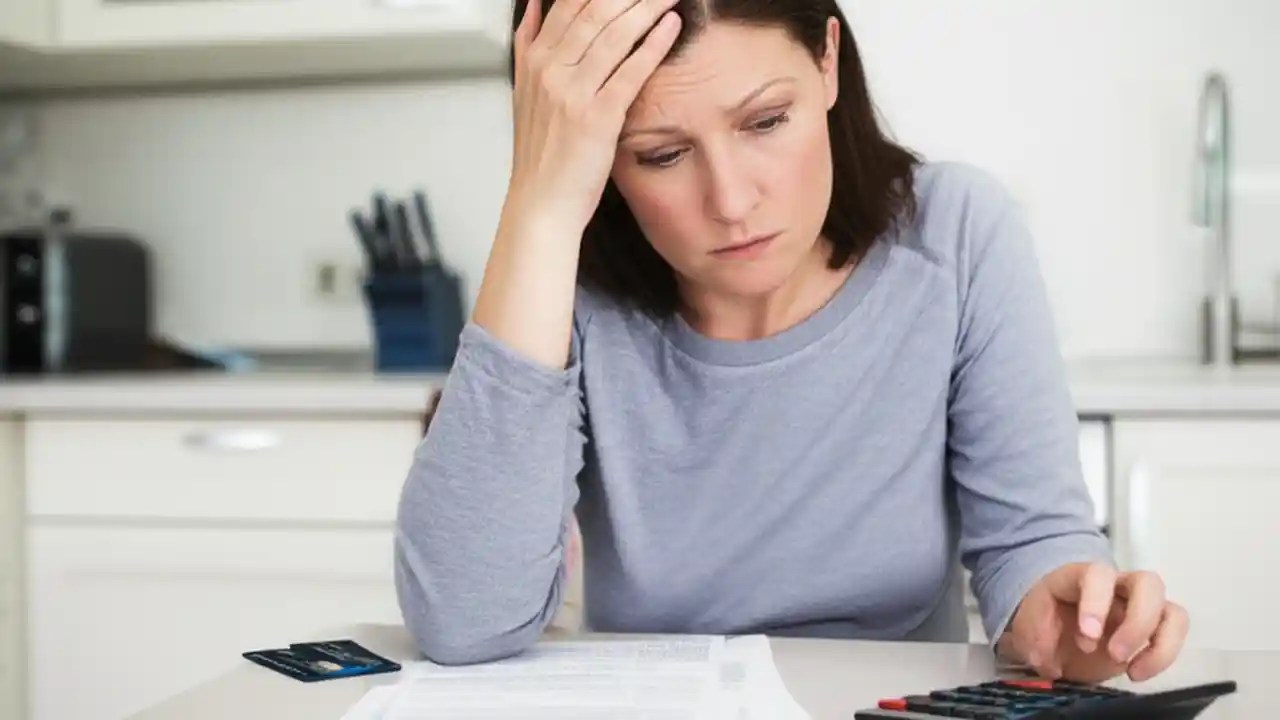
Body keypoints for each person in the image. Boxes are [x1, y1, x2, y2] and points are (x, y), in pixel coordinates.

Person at [393, 0, 1189, 685]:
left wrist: (1061, 612)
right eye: (661, 155)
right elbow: (465, 622)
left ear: (829, 61)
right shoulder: (562, 287)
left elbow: (1032, 538)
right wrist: (537, 205)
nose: (732, 201)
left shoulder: (957, 235)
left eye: (766, 121)